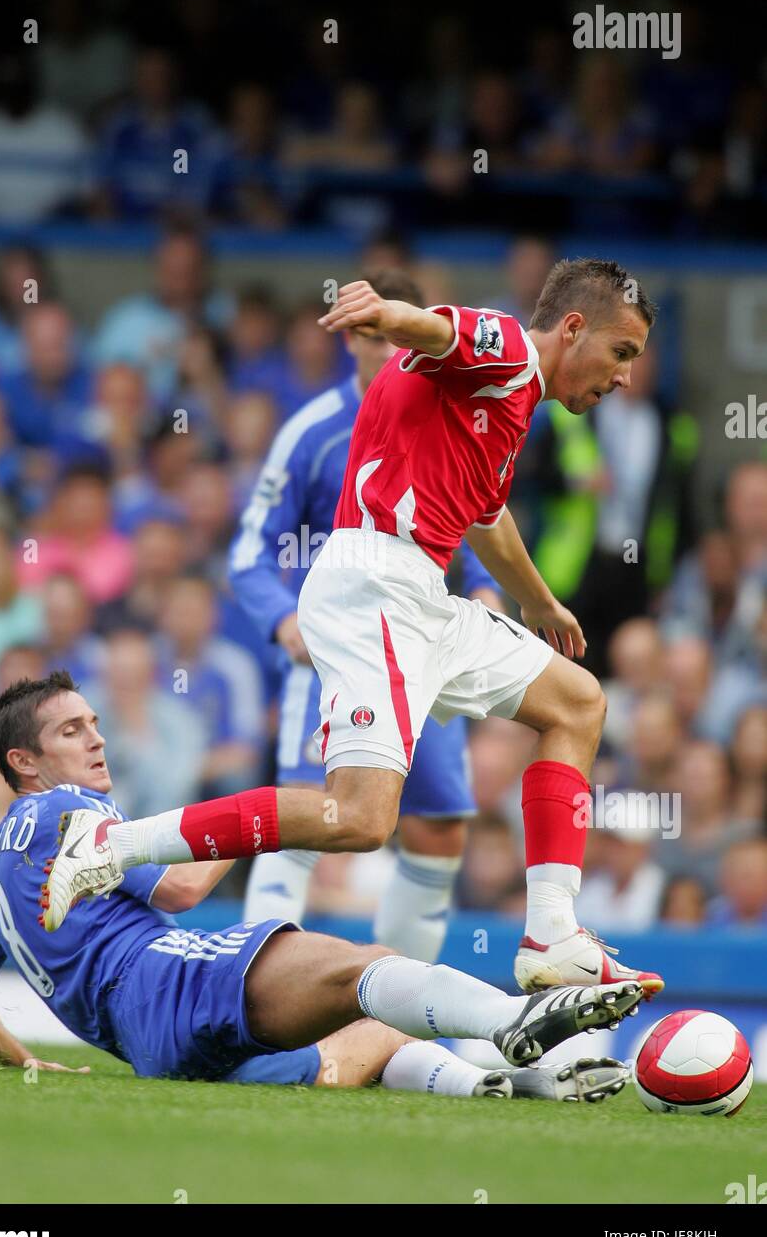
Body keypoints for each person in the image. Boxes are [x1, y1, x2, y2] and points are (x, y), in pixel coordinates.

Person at [42, 259, 665, 1000]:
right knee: (360, 819)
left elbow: (485, 515)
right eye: (620, 352)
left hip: (418, 594)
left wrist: (535, 599)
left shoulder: (509, 400)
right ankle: (113, 845)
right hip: (376, 584)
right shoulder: (504, 347)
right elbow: (435, 330)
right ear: (571, 329)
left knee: (578, 702)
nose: (624, 376)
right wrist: (388, 315)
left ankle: (551, 935)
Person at [0, 672, 639, 1104]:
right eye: (70, 730)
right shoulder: (61, 809)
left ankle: (507, 1083)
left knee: (358, 1043)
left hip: (146, 1046)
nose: (96, 740)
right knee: (363, 966)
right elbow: (178, 888)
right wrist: (258, 821)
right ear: (25, 763)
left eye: (93, 723)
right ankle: (510, 1020)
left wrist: (25, 1065)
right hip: (166, 981)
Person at [229, 268, 499, 963]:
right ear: (351, 337)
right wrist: (282, 620)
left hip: (420, 650)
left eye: (405, 331)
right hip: (334, 648)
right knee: (308, 815)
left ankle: (402, 1005)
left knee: (438, 827)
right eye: (380, 335)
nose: (393, 349)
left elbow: (467, 523)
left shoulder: (451, 411)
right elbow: (248, 552)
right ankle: (253, 985)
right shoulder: (312, 433)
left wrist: (485, 592)